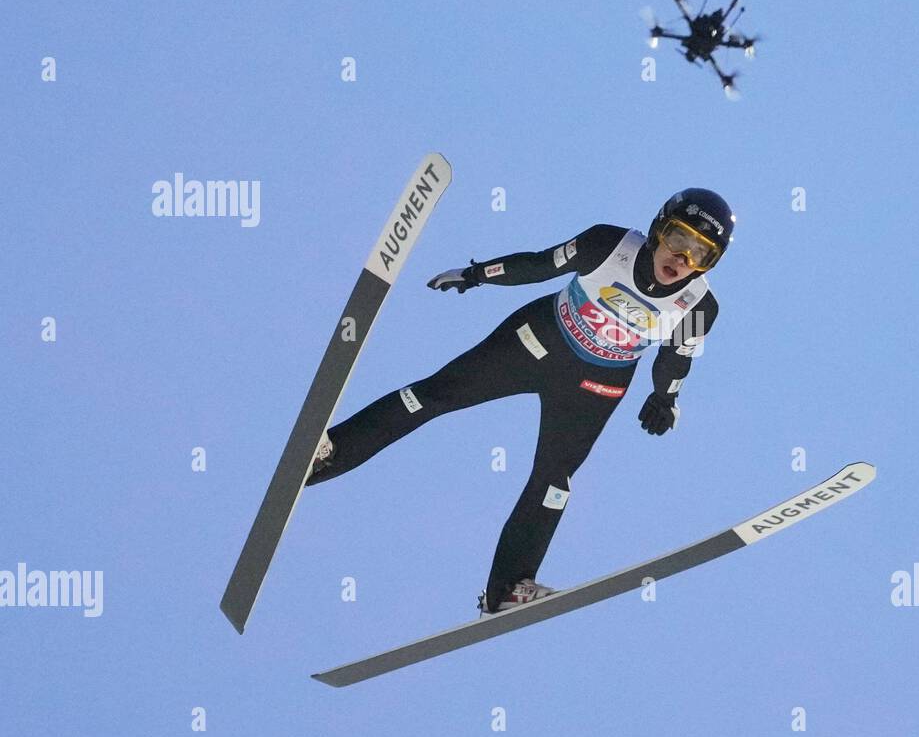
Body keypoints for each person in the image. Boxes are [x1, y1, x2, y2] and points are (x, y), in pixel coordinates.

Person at [305, 188, 733, 616]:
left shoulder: (699, 305)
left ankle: (507, 588)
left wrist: (666, 400)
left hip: (597, 384)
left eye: (701, 254)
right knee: (435, 395)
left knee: (554, 482)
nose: (683, 259)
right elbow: (538, 264)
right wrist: (477, 275)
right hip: (536, 341)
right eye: (679, 239)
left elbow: (675, 359)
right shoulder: (610, 245)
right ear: (660, 228)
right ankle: (331, 452)